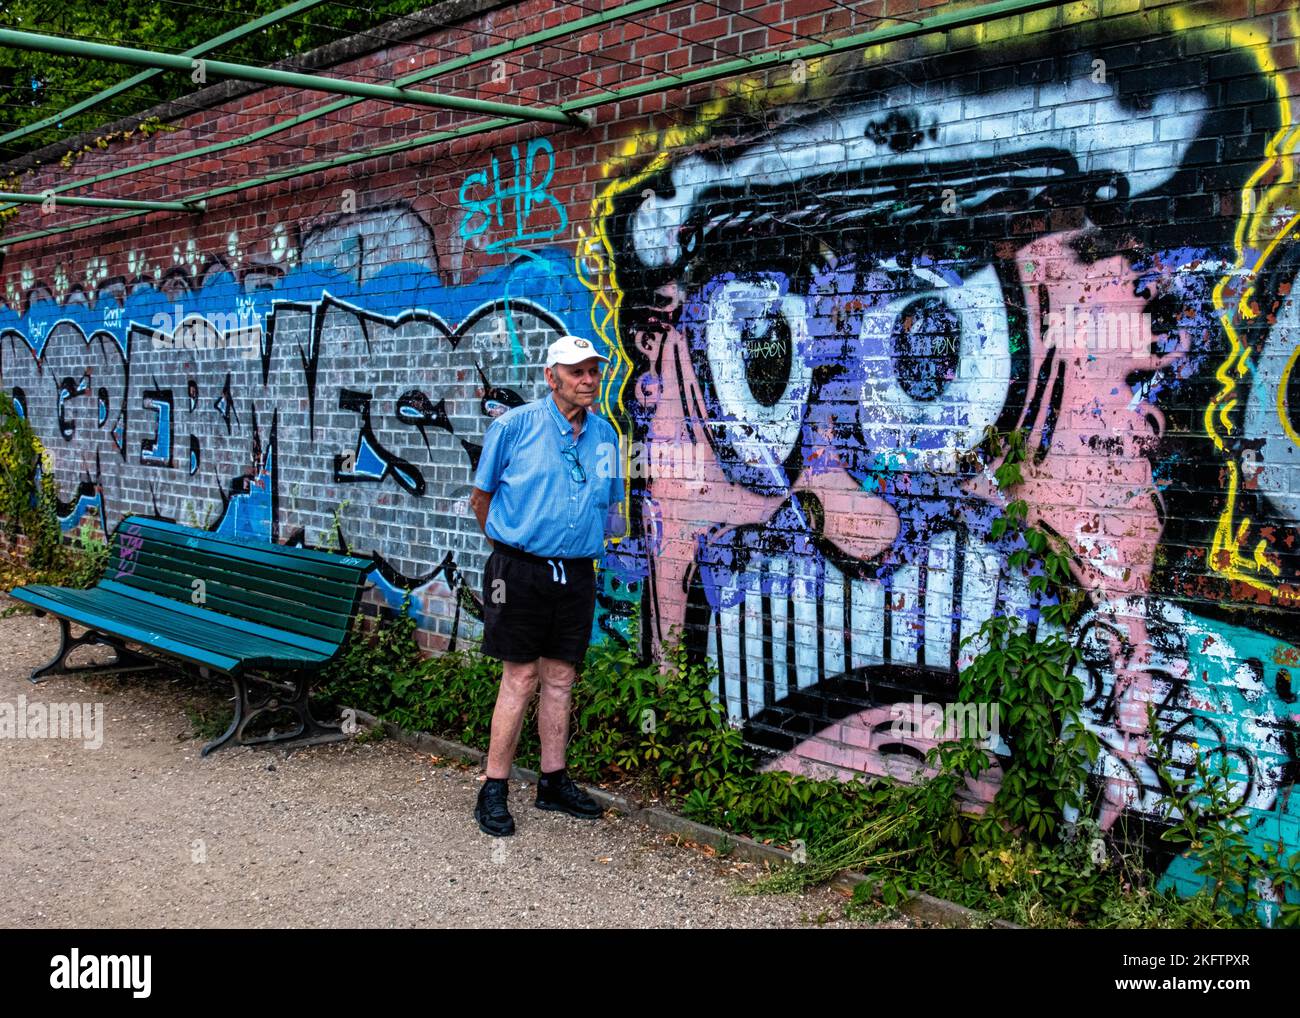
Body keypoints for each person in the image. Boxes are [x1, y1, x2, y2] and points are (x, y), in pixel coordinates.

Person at [468, 334, 625, 836]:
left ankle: (552, 782)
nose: (588, 380)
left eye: (593, 371)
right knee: (520, 678)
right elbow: (481, 499)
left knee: (560, 678)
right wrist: (514, 544)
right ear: (550, 376)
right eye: (577, 371)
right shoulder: (514, 427)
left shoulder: (605, 436)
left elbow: (613, 508)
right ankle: (493, 787)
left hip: (577, 573)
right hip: (519, 572)